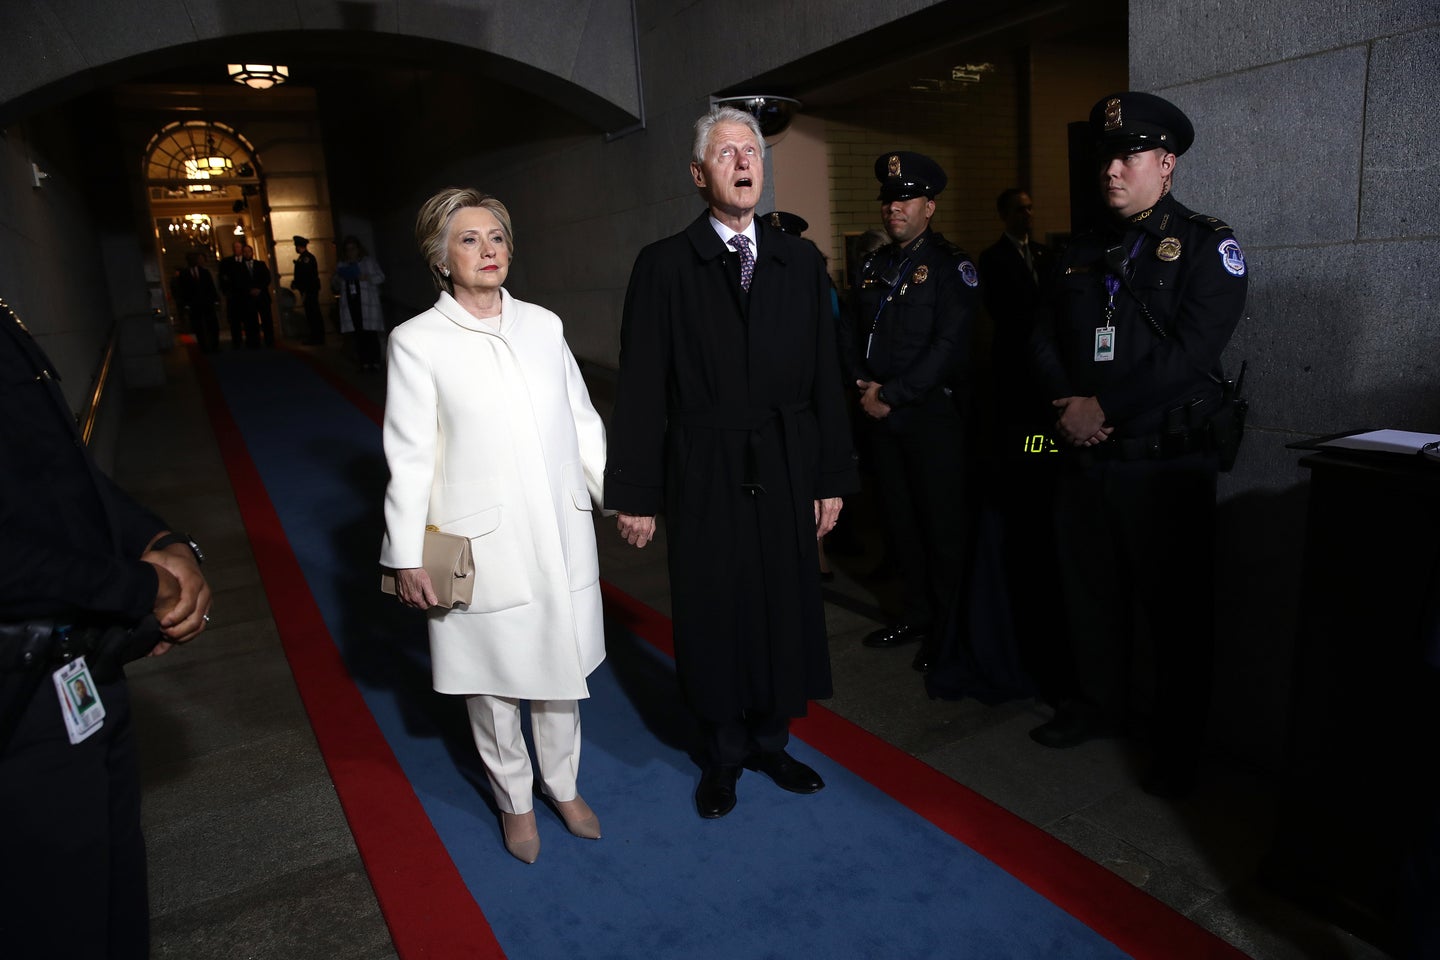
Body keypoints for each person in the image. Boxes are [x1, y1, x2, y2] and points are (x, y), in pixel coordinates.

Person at [605, 106, 858, 819]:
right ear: (699, 174)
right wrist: (636, 492)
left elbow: (825, 379)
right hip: (703, 463)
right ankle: (722, 752)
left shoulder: (799, 262)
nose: (744, 162)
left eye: (752, 151)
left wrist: (830, 477)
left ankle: (772, 741)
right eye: (726, 153)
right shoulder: (664, 265)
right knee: (714, 603)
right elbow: (642, 385)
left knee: (783, 601)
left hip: (785, 459)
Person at [1027, 92, 1248, 798]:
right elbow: (1041, 335)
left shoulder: (1207, 246)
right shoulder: (1078, 248)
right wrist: (1068, 406)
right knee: (1088, 597)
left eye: (1129, 156)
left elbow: (1191, 354)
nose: (1112, 169)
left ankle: (1178, 746)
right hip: (1085, 456)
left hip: (1164, 466)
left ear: (1166, 163)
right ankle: (1098, 707)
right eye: (1106, 156)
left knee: (1177, 617)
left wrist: (1103, 407)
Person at [380, 189, 607, 864]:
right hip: (480, 544)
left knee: (562, 672)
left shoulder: (543, 325)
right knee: (492, 683)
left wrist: (617, 498)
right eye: (470, 239)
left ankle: (563, 786)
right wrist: (405, 554)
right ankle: (515, 801)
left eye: (498, 238)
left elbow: (582, 419)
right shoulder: (416, 342)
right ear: (440, 257)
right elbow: (409, 455)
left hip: (559, 529)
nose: (488, 251)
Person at [1, 296, 212, 959]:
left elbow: (59, 473)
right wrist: (140, 588)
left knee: (112, 897)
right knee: (55, 921)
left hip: (80, 669)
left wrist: (160, 540)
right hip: (17, 701)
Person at [838, 151, 980, 674]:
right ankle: (916, 615)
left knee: (940, 528)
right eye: (888, 200)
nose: (894, 208)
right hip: (881, 415)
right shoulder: (874, 265)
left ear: (929, 206)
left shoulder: (951, 268)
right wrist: (863, 385)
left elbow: (949, 348)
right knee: (899, 525)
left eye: (906, 199)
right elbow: (850, 333)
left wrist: (892, 394)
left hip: (929, 418)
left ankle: (950, 630)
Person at [333, 236, 386, 371]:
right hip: (351, 303)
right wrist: (340, 278)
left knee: (370, 333)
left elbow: (380, 277)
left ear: (358, 249)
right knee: (358, 334)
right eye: (348, 250)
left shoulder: (368, 262)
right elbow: (334, 284)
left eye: (353, 249)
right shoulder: (342, 265)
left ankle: (374, 362)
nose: (351, 252)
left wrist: (366, 277)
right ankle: (364, 362)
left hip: (367, 303)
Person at [173, 250, 220, 353]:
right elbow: (182, 290)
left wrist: (215, 300)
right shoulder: (184, 274)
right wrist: (185, 304)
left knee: (212, 325)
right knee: (198, 327)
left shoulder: (204, 272)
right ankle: (203, 347)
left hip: (207, 302)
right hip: (194, 304)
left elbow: (211, 287)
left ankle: (214, 345)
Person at [291, 235, 325, 345]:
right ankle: (315, 336)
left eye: (296, 246)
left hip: (309, 290)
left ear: (299, 246)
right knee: (311, 313)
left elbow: (307, 276)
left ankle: (317, 337)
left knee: (313, 313)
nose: (296, 248)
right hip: (307, 290)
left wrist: (300, 285)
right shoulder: (303, 258)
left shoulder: (307, 258)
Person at [240, 244, 274, 348]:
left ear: (252, 253)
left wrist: (259, 288)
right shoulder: (239, 267)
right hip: (248, 298)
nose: (247, 254)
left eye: (249, 251)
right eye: (245, 252)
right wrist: (249, 290)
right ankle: (254, 342)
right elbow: (238, 282)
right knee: (251, 321)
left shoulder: (260, 264)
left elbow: (267, 278)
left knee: (266, 320)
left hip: (262, 296)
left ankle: (269, 341)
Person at [217, 239, 250, 348]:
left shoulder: (247, 261)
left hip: (245, 296)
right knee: (234, 320)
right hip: (233, 296)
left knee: (247, 319)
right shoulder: (226, 262)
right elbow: (222, 278)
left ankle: (250, 340)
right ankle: (237, 341)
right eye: (235, 247)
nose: (237, 249)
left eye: (238, 247)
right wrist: (226, 292)